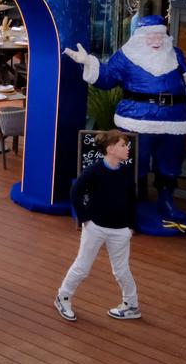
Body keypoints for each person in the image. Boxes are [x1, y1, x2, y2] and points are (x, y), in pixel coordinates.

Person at [64, 15, 186, 223]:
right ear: (140, 37)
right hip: (137, 118)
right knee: (135, 162)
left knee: (170, 163)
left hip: (174, 119)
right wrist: (88, 61)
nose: (157, 41)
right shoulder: (126, 57)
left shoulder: (176, 55)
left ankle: (166, 200)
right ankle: (133, 200)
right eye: (151, 36)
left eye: (160, 36)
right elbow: (107, 78)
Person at [54, 130, 140, 322]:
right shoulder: (93, 171)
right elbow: (75, 192)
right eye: (123, 145)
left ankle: (132, 305)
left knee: (122, 271)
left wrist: (130, 227)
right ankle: (63, 297)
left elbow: (131, 201)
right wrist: (85, 219)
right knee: (82, 267)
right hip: (96, 228)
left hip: (120, 231)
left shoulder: (126, 172)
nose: (127, 149)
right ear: (110, 149)